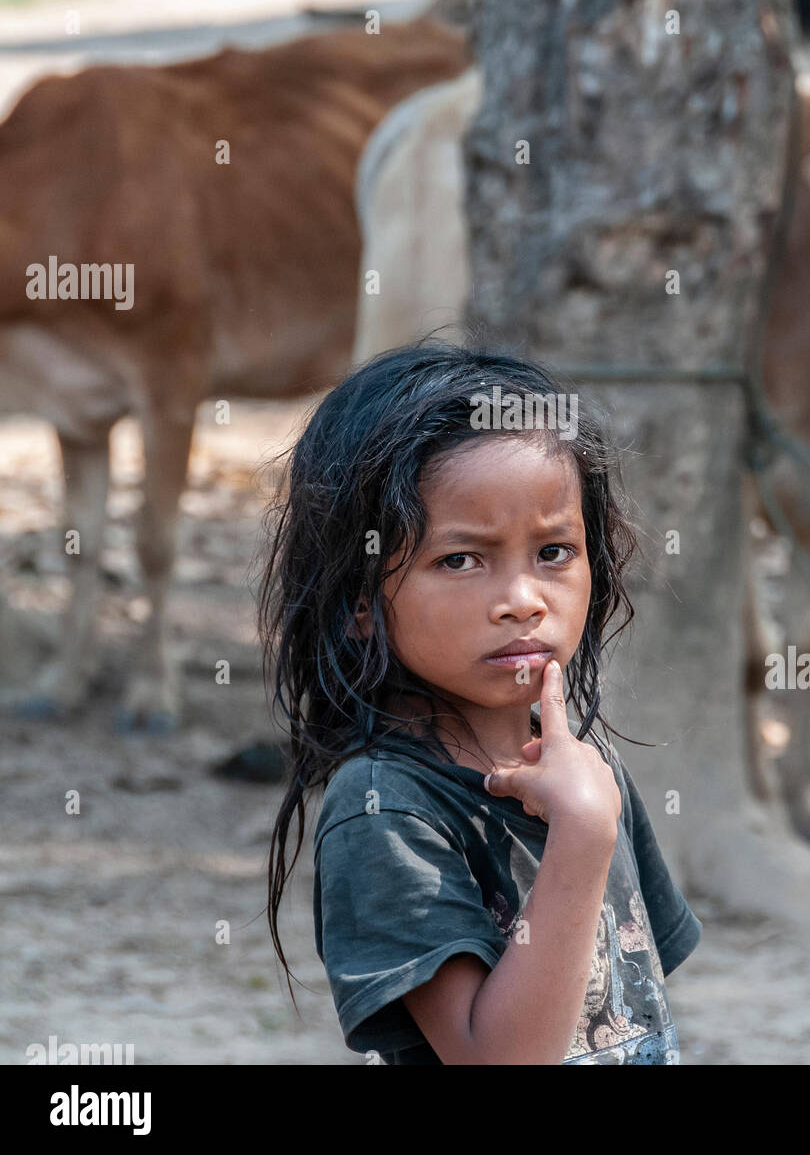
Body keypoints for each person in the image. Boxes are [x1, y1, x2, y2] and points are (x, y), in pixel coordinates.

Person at [257, 339, 702, 1065]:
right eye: (460, 560)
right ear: (361, 601)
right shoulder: (385, 808)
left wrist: (588, 810)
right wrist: (582, 835)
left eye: (554, 552)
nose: (522, 601)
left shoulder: (587, 765)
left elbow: (637, 1015)